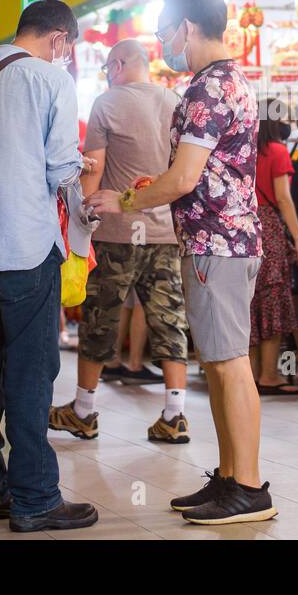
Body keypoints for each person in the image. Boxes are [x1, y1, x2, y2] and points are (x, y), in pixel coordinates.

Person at [89, 0, 275, 525]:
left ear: (187, 27)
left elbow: (184, 179)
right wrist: (160, 183)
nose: (163, 43)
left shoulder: (206, 89)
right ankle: (229, 476)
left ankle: (248, 487)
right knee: (219, 364)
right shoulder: (225, 81)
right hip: (219, 240)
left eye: (165, 31)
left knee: (230, 363)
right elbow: (195, 172)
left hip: (218, 243)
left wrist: (124, 198)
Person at [0, 0, 98, 533]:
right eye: (68, 48)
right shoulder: (52, 82)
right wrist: (84, 173)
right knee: (30, 373)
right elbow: (59, 170)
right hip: (25, 250)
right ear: (58, 39)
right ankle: (35, 498)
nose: (66, 57)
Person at [49, 38, 191, 443]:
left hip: (116, 233)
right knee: (169, 319)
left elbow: (94, 172)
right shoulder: (175, 101)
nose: (107, 74)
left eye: (108, 66)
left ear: (120, 63)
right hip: (164, 232)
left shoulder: (107, 104)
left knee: (100, 320)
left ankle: (83, 411)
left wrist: (78, 217)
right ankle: (175, 414)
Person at [250, 102, 298, 396]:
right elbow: (284, 200)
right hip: (269, 229)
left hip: (244, 228)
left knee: (249, 302)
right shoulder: (277, 151)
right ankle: (270, 375)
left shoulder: (243, 149)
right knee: (272, 298)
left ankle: (248, 378)